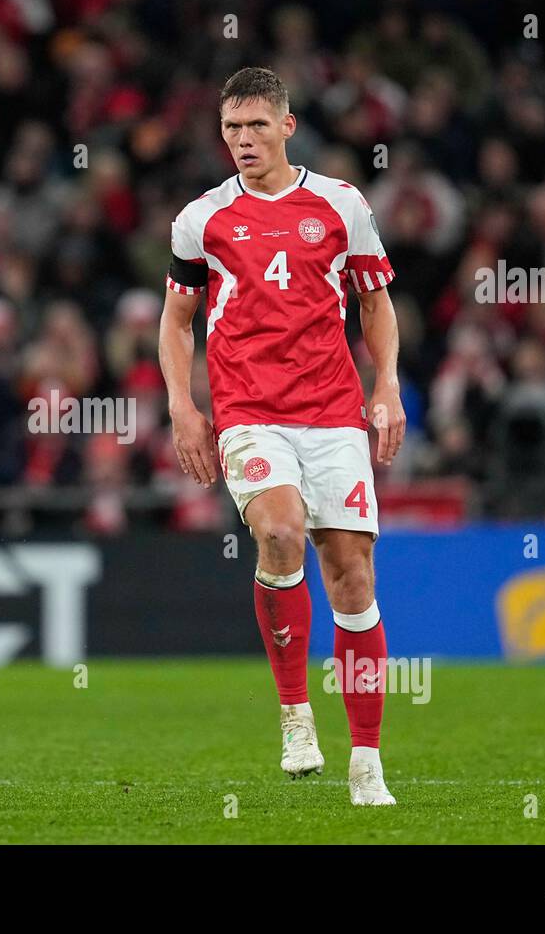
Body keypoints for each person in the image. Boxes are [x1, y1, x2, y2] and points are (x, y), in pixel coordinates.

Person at [158, 67, 406, 806]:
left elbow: (376, 302)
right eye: (232, 128)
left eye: (257, 126)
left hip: (333, 413)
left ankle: (367, 762)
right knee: (280, 531)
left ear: (287, 127)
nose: (243, 140)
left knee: (353, 576)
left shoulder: (340, 205)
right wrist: (181, 405)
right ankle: (296, 713)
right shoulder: (200, 219)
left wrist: (386, 384)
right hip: (249, 410)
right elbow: (175, 320)